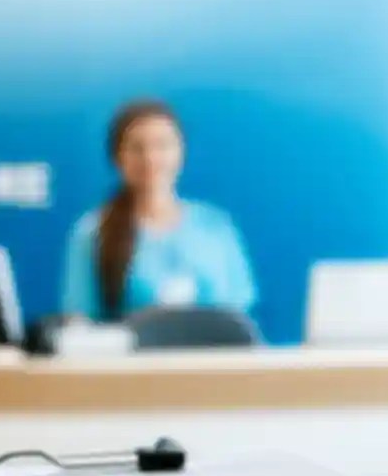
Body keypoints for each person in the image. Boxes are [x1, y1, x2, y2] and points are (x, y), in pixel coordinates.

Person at [61, 100, 256, 320]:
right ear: (117, 157)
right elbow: (81, 320)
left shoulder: (215, 225)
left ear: (181, 151)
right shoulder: (92, 231)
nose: (150, 158)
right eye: (137, 148)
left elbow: (239, 312)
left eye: (162, 145)